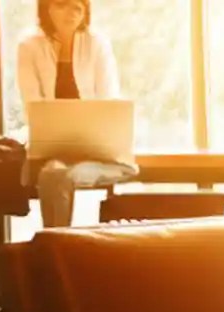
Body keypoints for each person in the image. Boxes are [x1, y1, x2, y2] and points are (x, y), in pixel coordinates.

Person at [17, 0, 136, 227]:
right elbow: (32, 105)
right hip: (51, 149)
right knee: (53, 172)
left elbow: (108, 101)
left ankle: (57, 247)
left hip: (96, 149)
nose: (70, 14)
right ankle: (58, 247)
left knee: (61, 175)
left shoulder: (97, 44)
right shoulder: (29, 46)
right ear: (47, 8)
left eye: (77, 8)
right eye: (62, 5)